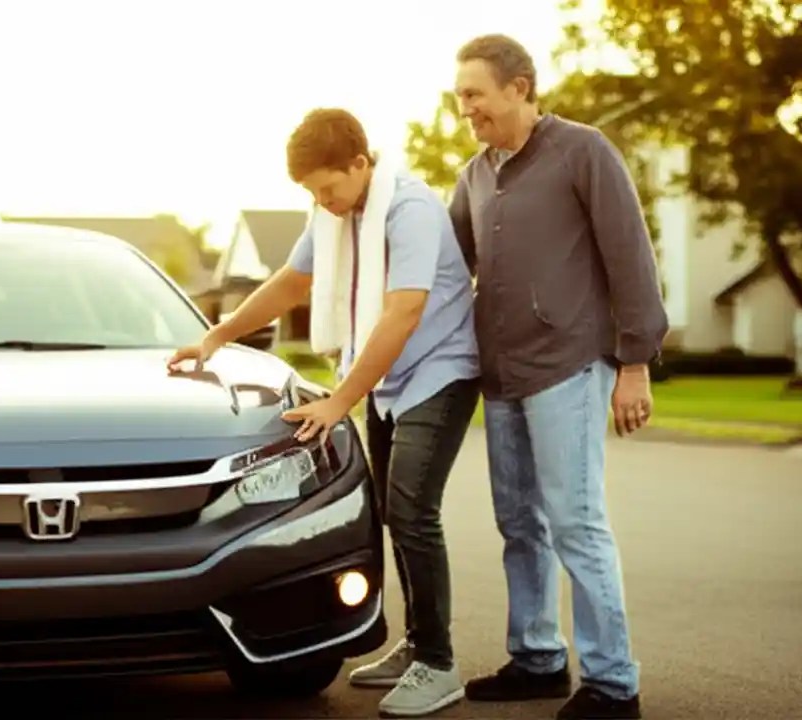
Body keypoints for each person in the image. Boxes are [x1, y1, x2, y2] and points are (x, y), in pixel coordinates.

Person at [168, 107, 480, 718]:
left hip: (439, 371)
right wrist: (217, 336)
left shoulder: (410, 210)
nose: (322, 201)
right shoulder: (335, 216)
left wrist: (342, 400)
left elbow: (404, 312)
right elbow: (292, 281)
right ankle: (416, 644)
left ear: (360, 164)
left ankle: (439, 664)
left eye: (328, 187)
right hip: (386, 378)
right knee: (392, 512)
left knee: (413, 513)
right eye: (312, 192)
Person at [445, 34, 669, 720]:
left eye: (474, 94)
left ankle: (613, 684)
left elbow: (630, 256)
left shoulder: (582, 150)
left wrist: (635, 363)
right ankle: (537, 658)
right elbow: (446, 271)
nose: (465, 109)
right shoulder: (474, 175)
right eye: (459, 98)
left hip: (569, 365)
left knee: (576, 522)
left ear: (518, 87)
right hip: (502, 374)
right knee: (519, 523)